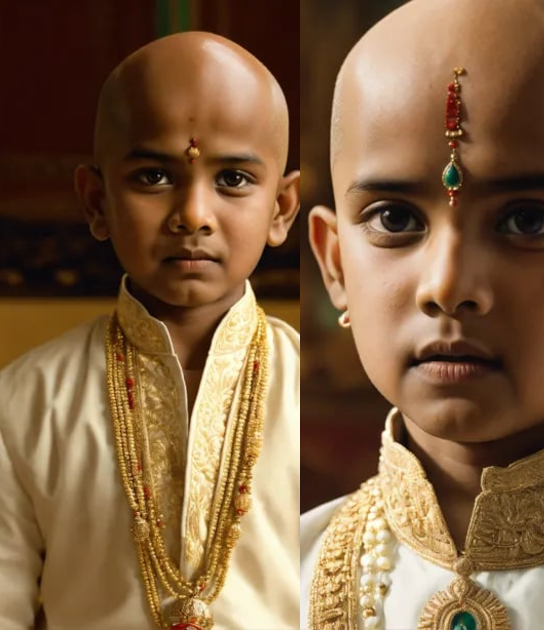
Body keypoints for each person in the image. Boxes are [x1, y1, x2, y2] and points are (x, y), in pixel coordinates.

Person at [300, 0, 544, 628]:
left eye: (527, 220)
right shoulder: (268, 586)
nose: (448, 286)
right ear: (335, 267)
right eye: (395, 219)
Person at [0, 31, 302, 629]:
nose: (193, 214)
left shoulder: (314, 399)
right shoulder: (26, 402)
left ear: (282, 208)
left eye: (235, 180)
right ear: (96, 202)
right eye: (152, 178)